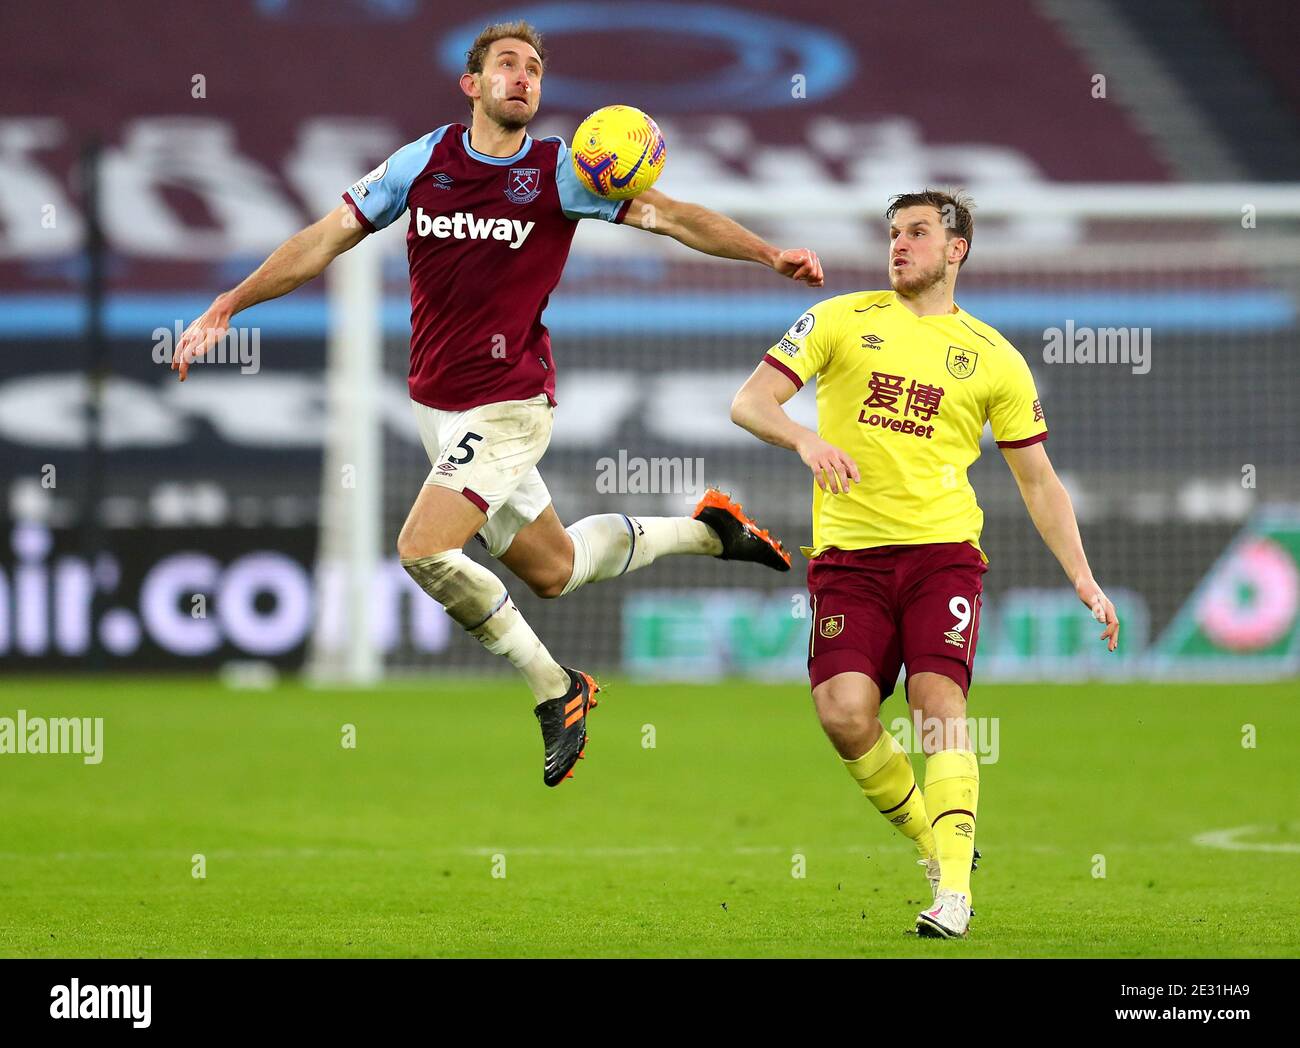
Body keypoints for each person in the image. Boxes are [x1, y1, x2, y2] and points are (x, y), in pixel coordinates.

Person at [170, 20, 823, 787]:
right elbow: (325, 237)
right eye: (507, 65)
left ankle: (557, 689)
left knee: (422, 549)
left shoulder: (564, 174)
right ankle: (710, 531)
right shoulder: (425, 162)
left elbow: (676, 217)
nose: (523, 78)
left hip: (510, 402)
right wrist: (231, 302)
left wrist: (768, 253)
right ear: (472, 83)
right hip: (436, 408)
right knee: (555, 569)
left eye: (535, 69)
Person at [729, 188, 1120, 937]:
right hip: (849, 560)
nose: (898, 245)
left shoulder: (995, 358)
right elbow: (750, 403)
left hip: (944, 556)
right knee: (844, 715)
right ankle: (937, 851)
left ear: (956, 249)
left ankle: (955, 895)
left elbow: (1038, 479)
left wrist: (1081, 574)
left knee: (937, 709)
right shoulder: (843, 317)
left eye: (916, 232)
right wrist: (806, 440)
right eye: (893, 234)